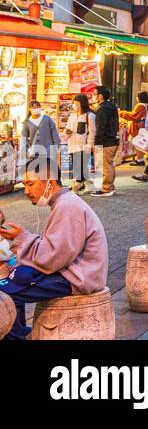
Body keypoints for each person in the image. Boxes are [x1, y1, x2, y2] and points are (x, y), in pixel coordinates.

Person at [0, 156, 108, 340]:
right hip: (69, 271)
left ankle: (14, 336)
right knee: (14, 278)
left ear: (49, 183)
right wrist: (20, 239)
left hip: (76, 277)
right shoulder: (64, 202)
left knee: (6, 290)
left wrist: (22, 238)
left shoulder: (67, 206)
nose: (26, 191)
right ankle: (18, 333)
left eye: (30, 184)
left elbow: (52, 258)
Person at [90, 85, 119, 197]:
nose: (94, 96)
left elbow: (100, 127)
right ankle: (109, 186)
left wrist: (96, 142)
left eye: (95, 94)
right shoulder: (111, 107)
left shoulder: (103, 109)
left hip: (106, 141)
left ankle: (107, 188)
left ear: (101, 96)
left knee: (106, 165)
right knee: (109, 164)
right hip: (112, 140)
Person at [63, 94, 95, 194]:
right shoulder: (72, 115)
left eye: (77, 103)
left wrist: (89, 145)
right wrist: (66, 132)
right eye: (74, 103)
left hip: (83, 145)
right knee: (78, 166)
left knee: (80, 165)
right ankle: (88, 184)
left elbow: (92, 132)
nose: (75, 105)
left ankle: (77, 185)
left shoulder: (90, 115)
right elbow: (67, 128)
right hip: (72, 144)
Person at [22, 102, 60, 187]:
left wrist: (56, 144)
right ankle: (40, 187)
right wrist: (24, 149)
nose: (36, 109)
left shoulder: (47, 119)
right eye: (33, 107)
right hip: (34, 151)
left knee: (51, 168)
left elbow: (54, 132)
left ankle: (56, 185)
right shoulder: (27, 122)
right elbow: (24, 137)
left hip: (48, 148)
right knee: (37, 169)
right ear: (30, 109)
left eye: (37, 106)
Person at [119, 91, 148, 165]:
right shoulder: (146, 105)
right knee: (139, 144)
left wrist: (121, 113)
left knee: (137, 144)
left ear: (139, 97)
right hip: (142, 127)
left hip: (137, 128)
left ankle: (140, 160)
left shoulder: (140, 105)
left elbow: (133, 116)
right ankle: (140, 159)